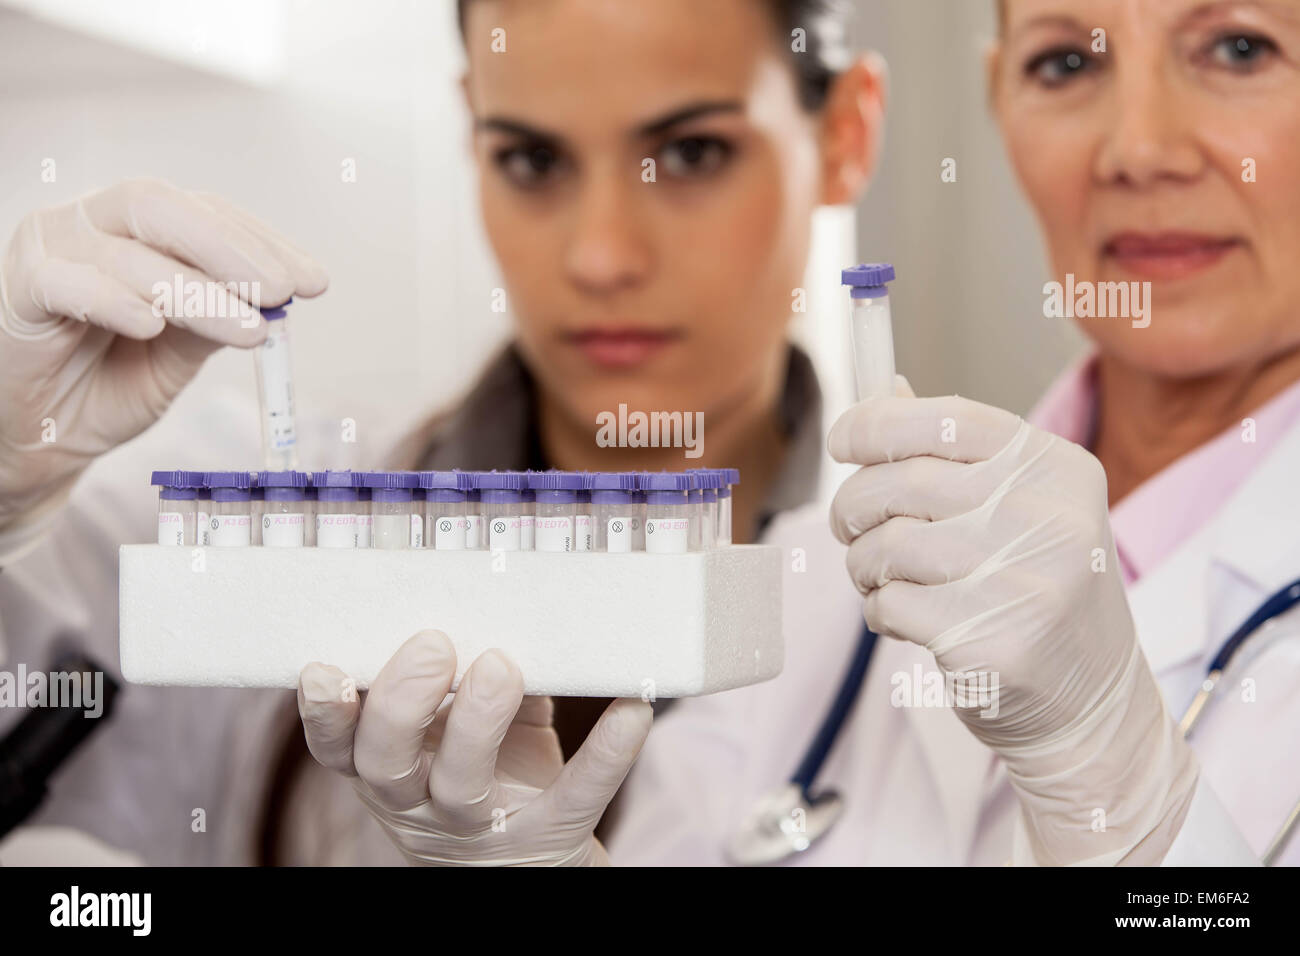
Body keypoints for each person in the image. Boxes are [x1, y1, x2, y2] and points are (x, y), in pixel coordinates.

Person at [297, 0, 1300, 865]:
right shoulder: (805, 584)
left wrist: (1128, 803)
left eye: (1241, 48)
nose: (1137, 149)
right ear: (1000, 99)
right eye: (1066, 61)